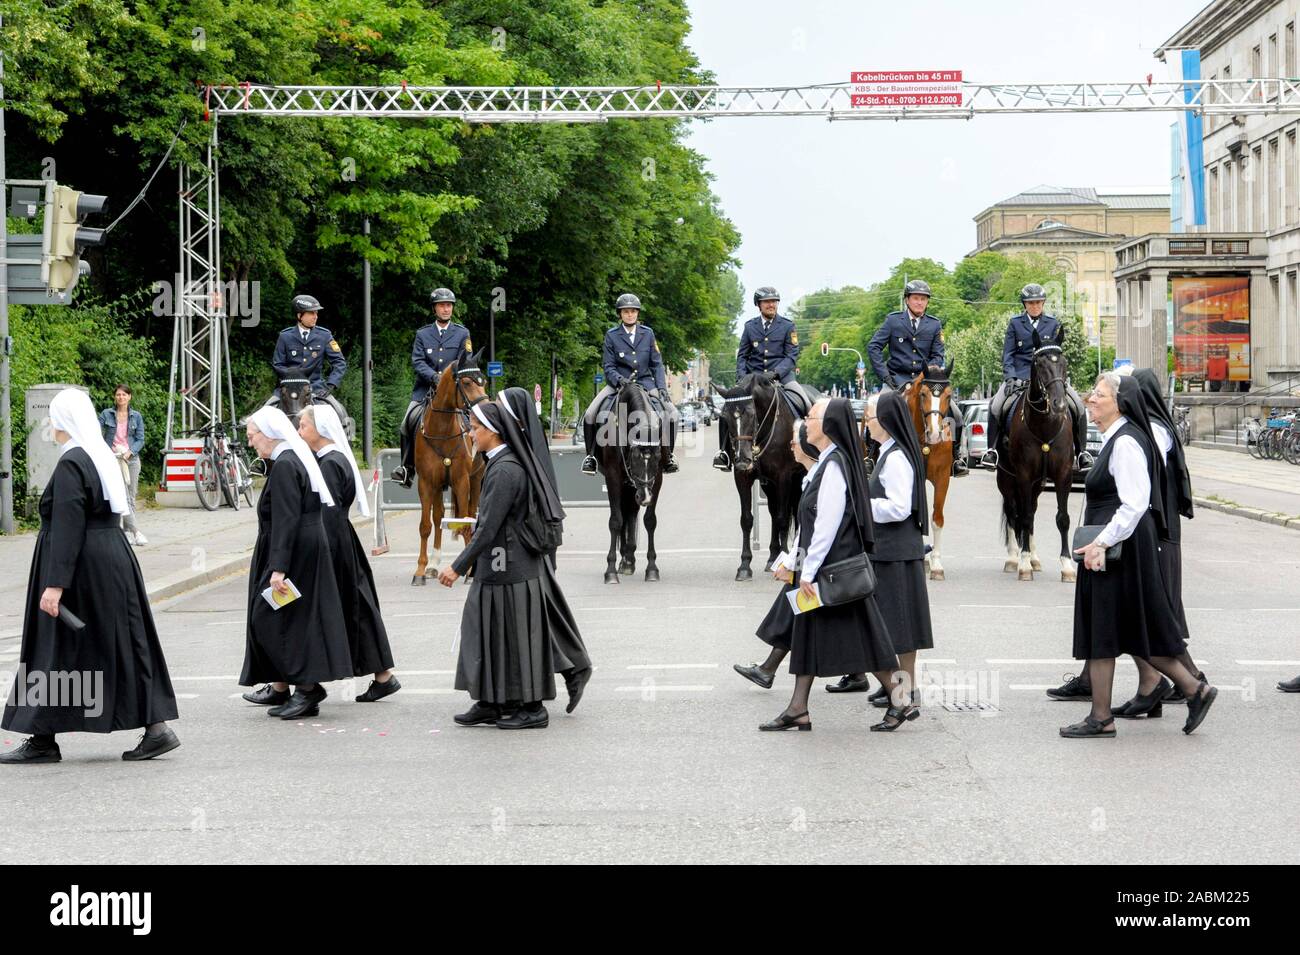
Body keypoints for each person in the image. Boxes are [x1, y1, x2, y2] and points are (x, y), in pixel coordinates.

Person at [2, 388, 179, 763]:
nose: (51, 423)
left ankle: (42, 740)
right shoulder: (99, 457)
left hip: (81, 567)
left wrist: (54, 585)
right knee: (123, 642)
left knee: (52, 647)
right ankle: (155, 727)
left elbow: (68, 527)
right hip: (112, 558)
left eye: (54, 417)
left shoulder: (71, 463)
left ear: (64, 421)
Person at [1062, 373, 1217, 738]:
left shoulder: (1127, 443)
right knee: (1126, 631)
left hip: (1120, 550)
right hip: (1116, 548)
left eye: (1098, 395)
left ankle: (1102, 717)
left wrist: (1101, 542)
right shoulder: (1117, 438)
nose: (1090, 400)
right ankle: (1193, 690)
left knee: (1110, 629)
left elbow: (1134, 505)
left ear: (1119, 402)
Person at [758, 398, 912, 733]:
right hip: (828, 573)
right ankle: (798, 708)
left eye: (811, 416)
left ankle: (900, 699)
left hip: (833, 574)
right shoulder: (827, 464)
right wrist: (797, 565)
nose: (806, 422)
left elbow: (826, 527)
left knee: (870, 645)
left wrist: (807, 574)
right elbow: (811, 527)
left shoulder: (834, 468)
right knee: (808, 633)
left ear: (827, 426)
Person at [439, 402, 557, 729]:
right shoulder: (499, 463)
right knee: (489, 635)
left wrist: (457, 566)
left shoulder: (505, 469)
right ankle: (491, 701)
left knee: (517, 640)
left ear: (492, 431)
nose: (471, 434)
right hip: (499, 567)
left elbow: (491, 528)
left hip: (512, 569)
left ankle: (533, 709)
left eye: (475, 428)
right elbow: (493, 522)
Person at [239, 407, 353, 720]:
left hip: (296, 550)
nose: (251, 444)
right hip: (301, 547)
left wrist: (278, 567)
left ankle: (307, 688)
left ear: (267, 433)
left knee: (272, 618)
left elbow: (287, 519)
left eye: (252, 436)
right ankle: (297, 687)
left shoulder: (286, 464)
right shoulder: (289, 459)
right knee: (294, 619)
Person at [831, 391, 935, 710]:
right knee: (897, 624)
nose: (867, 423)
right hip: (893, 551)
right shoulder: (889, 452)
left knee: (901, 626)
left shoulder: (897, 458)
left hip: (896, 552)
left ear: (886, 423)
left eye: (871, 418)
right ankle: (900, 687)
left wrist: (864, 505)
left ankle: (907, 690)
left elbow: (900, 508)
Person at [498, 387, 593, 712]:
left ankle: (573, 668)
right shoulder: (521, 448)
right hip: (527, 542)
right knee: (543, 609)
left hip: (530, 542)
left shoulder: (522, 453)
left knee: (538, 612)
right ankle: (573, 667)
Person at [297, 404, 400, 703]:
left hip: (333, 541)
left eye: (303, 425)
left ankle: (311, 681)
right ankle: (383, 676)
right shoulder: (332, 459)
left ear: (320, 430)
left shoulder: (330, 464)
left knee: (345, 609)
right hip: (341, 539)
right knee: (356, 608)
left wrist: (318, 552)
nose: (299, 430)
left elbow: (327, 512)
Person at [732, 421, 821, 688]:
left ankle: (894, 688)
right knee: (797, 605)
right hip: (812, 562)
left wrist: (802, 567)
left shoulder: (825, 474)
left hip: (780, 381)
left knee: (805, 606)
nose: (790, 444)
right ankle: (727, 454)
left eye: (795, 440)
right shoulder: (813, 476)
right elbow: (808, 526)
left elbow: (822, 529)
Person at [981, 284, 1091, 471]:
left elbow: (1058, 355)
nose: (1035, 306)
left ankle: (1082, 453)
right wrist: (1010, 377)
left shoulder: (1052, 323)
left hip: (1050, 377)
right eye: (1031, 303)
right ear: (1024, 304)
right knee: (996, 405)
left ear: (1043, 303)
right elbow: (1008, 354)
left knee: (1078, 407)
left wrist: (1059, 377)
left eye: (1038, 302)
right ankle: (992, 451)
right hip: (1021, 377)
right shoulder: (1015, 323)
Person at [867, 279, 967, 475]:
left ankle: (956, 458)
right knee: (876, 410)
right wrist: (886, 376)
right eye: (916, 299)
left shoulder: (935, 324)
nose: (920, 303)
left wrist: (928, 372)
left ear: (927, 302)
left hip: (925, 380)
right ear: (907, 300)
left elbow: (939, 354)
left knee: (956, 414)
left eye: (923, 299)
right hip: (897, 379)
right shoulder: (893, 321)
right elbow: (874, 347)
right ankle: (870, 455)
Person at [581, 293, 679, 475]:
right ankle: (591, 457)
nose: (630, 315)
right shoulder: (612, 335)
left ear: (637, 313)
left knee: (673, 414)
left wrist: (662, 388)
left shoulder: (648, 334)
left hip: (645, 384)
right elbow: (608, 366)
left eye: (633, 311)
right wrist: (619, 380)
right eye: (626, 312)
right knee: (590, 414)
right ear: (620, 314)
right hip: (618, 384)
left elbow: (656, 364)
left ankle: (668, 457)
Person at [713, 287, 810, 471]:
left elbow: (791, 355)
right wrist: (742, 380)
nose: (771, 304)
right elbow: (742, 356)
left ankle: (810, 446)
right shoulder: (750, 327)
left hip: (782, 378)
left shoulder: (788, 326)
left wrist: (775, 373)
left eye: (774, 301)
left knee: (805, 401)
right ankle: (724, 453)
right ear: (759, 305)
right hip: (752, 380)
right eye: (767, 302)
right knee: (729, 408)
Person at [392, 287, 473, 488]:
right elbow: (418, 361)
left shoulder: (462, 333)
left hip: (455, 390)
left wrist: (449, 380)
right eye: (442, 305)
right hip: (425, 390)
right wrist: (435, 378)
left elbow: (466, 360)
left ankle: (480, 464)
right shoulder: (423, 334)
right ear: (435, 309)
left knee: (474, 419)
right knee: (407, 422)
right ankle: (406, 468)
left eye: (449, 305)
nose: (446, 309)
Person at [98, 384, 148, 545]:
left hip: (131, 459)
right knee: (124, 496)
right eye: (118, 395)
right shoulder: (107, 414)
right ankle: (136, 532)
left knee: (131, 496)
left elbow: (140, 439)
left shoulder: (136, 416)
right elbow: (96, 432)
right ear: (115, 397)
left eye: (124, 395)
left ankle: (126, 532)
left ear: (129, 397)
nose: (121, 397)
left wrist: (130, 452)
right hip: (113, 459)